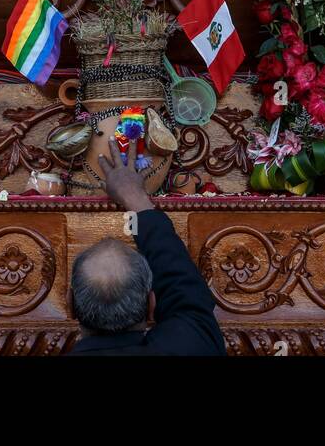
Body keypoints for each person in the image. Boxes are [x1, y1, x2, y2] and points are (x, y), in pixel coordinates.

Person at [68, 138, 226, 357]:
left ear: (71, 305)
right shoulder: (195, 345)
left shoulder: (195, 339)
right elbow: (184, 290)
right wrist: (136, 199)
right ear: (151, 303)